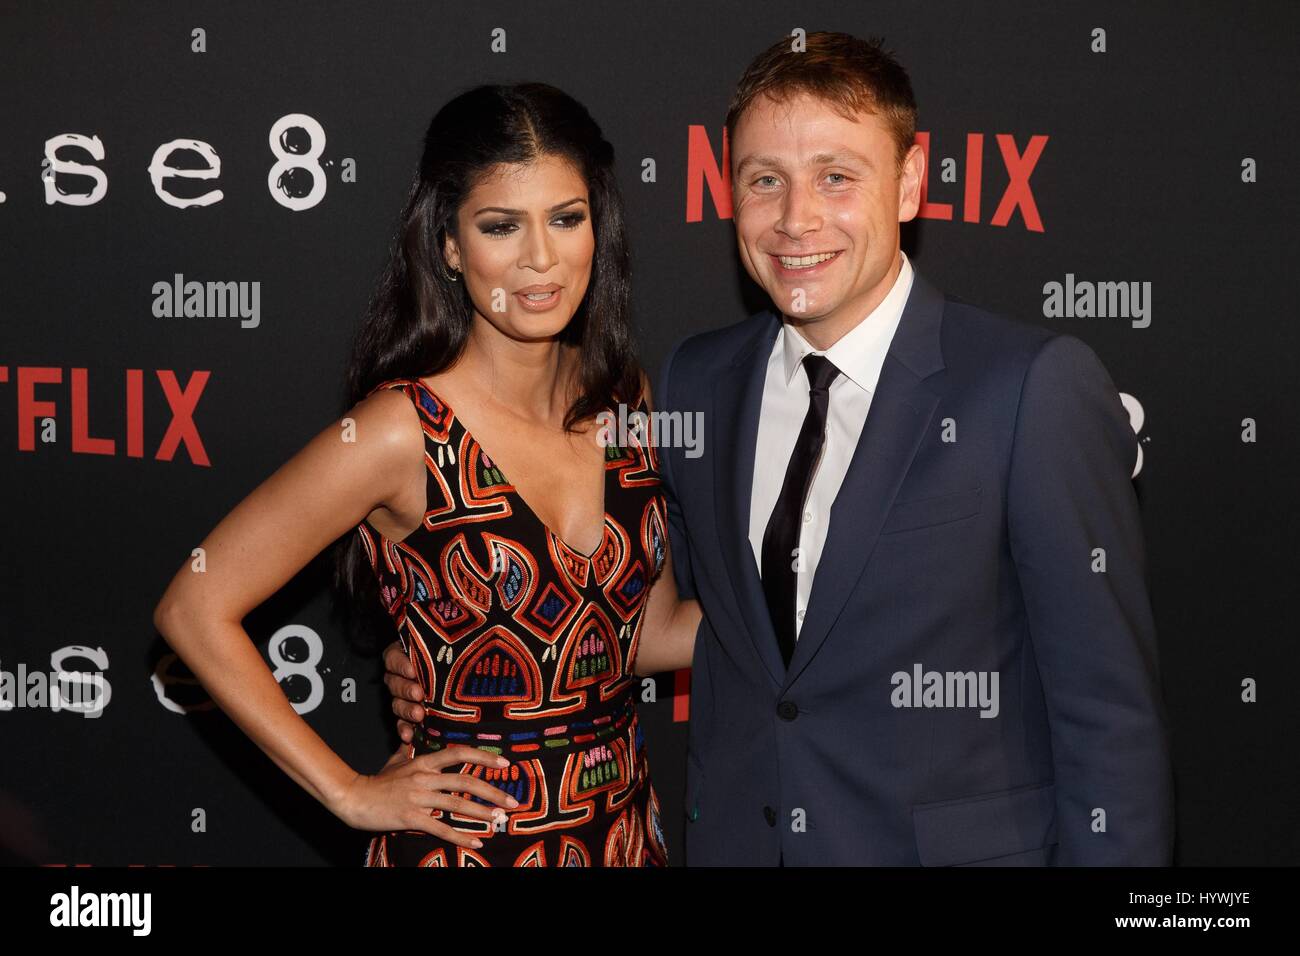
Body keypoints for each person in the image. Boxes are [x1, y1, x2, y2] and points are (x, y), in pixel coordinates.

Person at [384, 33, 1177, 866]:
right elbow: (648, 611)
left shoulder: (1030, 389)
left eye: (837, 176)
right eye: (766, 181)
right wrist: (449, 651)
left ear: (908, 185)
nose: (796, 219)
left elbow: (1107, 715)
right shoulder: (696, 382)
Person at [153, 83, 701, 868]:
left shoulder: (628, 400)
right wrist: (349, 793)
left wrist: (830, 620)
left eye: (566, 218)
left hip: (620, 836)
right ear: (449, 244)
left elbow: (644, 635)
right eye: (500, 226)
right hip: (469, 849)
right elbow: (193, 606)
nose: (541, 259)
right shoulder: (398, 432)